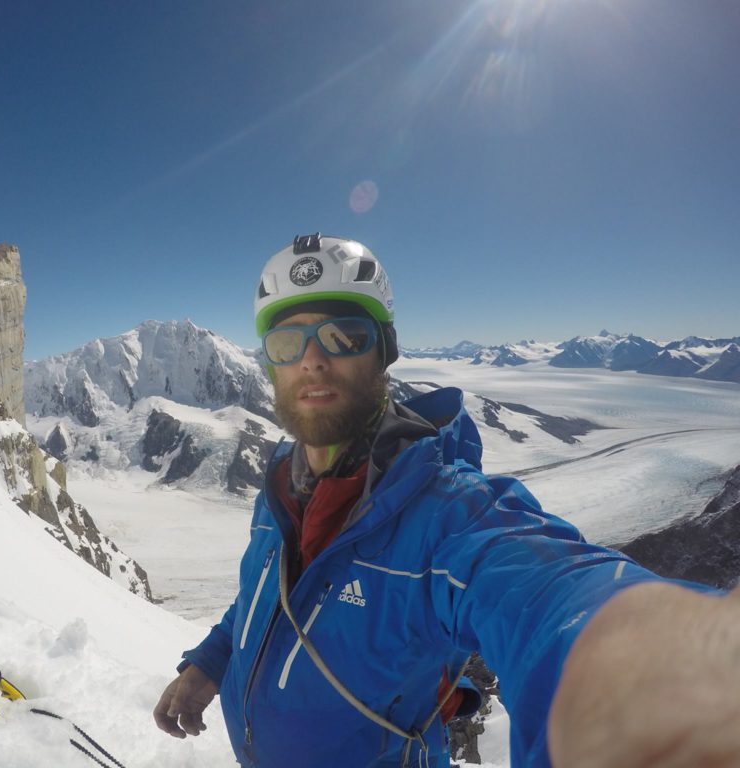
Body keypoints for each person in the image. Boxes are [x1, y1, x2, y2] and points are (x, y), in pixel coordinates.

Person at [153, 233, 740, 767]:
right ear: (269, 365)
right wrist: (209, 662)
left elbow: (547, 593)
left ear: (384, 350)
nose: (312, 357)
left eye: (342, 335)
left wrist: (673, 681)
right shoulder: (279, 489)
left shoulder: (446, 519)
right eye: (287, 341)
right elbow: (263, 598)